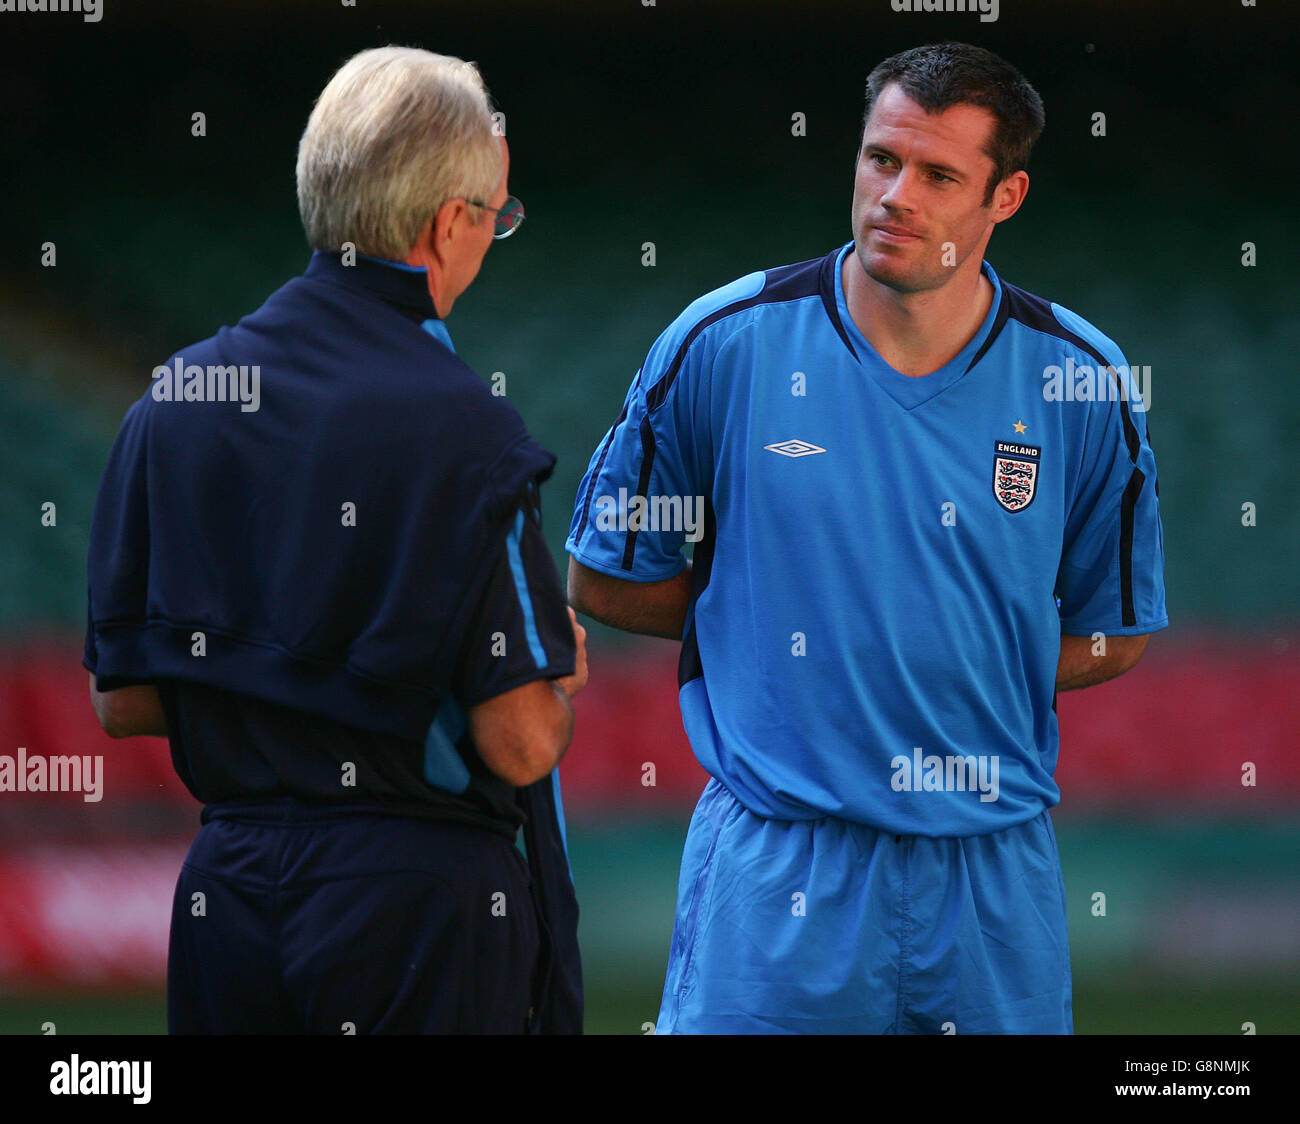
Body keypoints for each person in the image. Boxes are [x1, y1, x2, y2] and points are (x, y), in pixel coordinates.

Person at [566, 41, 1166, 1034]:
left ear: (1003, 196)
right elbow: (601, 577)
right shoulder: (719, 344)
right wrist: (769, 623)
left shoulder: (1083, 380)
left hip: (990, 874)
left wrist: (957, 656)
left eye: (938, 174)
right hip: (777, 863)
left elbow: (1116, 630)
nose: (897, 195)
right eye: (881, 159)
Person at [84, 46, 586, 1034]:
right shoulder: (466, 427)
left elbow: (124, 700)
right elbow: (519, 742)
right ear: (449, 223)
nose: (493, 235)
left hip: (226, 892)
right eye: (497, 212)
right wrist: (556, 667)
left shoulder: (172, 400)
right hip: (418, 903)